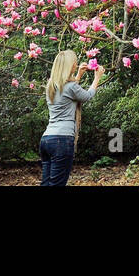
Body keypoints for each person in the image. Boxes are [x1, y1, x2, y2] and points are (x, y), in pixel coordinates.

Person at [40, 50, 104, 186]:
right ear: (68, 66)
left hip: (46, 139)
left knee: (46, 184)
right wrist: (97, 78)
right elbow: (87, 96)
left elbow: (69, 91)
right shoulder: (70, 87)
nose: (75, 65)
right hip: (61, 140)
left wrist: (79, 75)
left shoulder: (50, 86)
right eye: (74, 63)